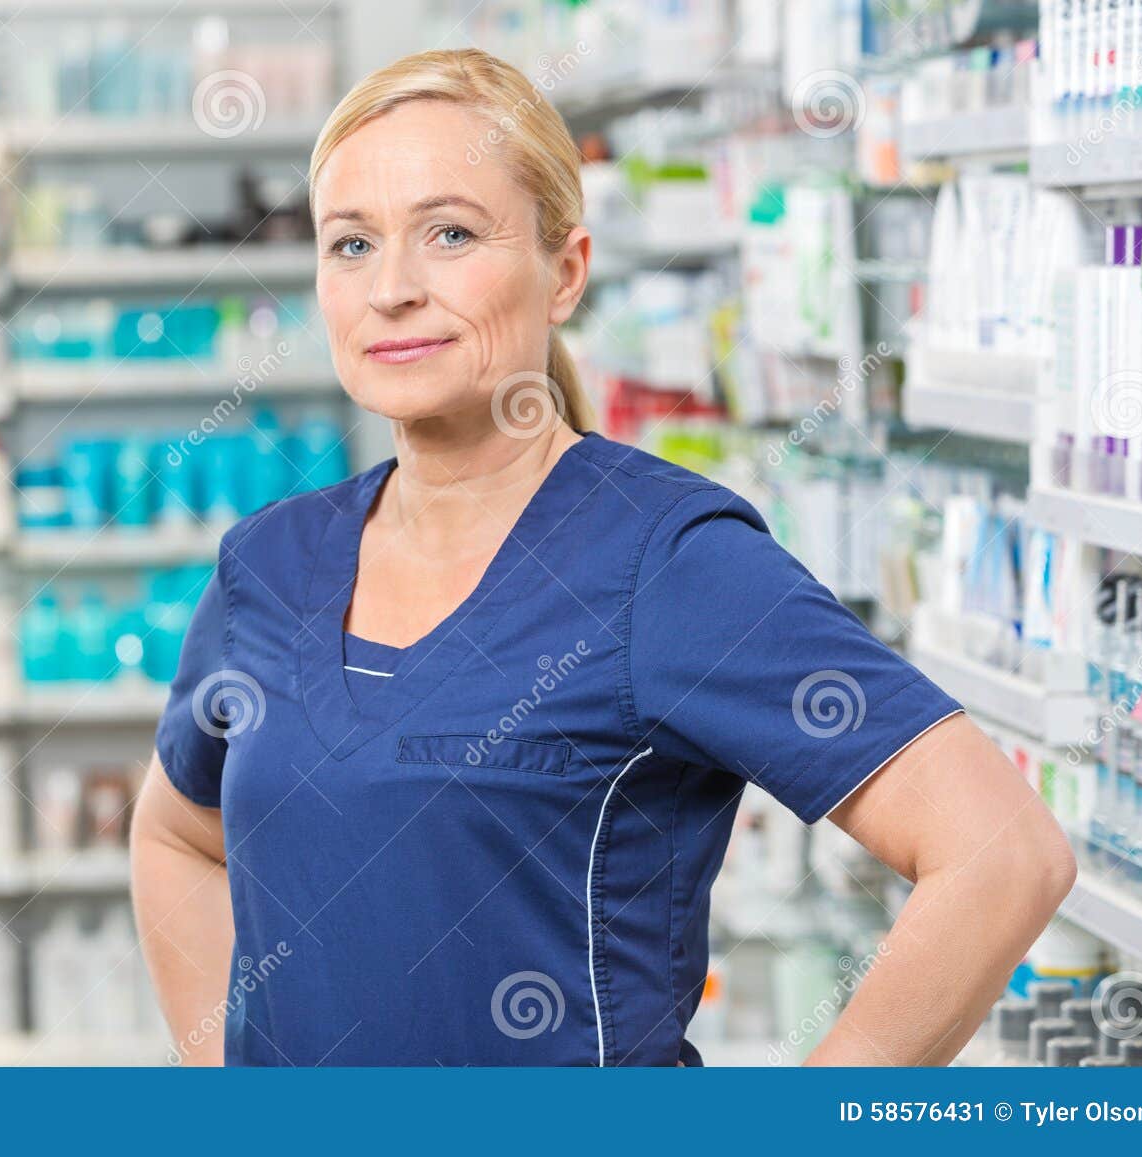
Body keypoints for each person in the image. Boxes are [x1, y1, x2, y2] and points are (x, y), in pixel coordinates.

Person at [130, 48, 1076, 1066]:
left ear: (565, 270)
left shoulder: (667, 564)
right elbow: (178, 835)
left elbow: (1000, 853)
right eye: (350, 244)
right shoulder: (269, 566)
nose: (392, 288)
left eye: (450, 233)